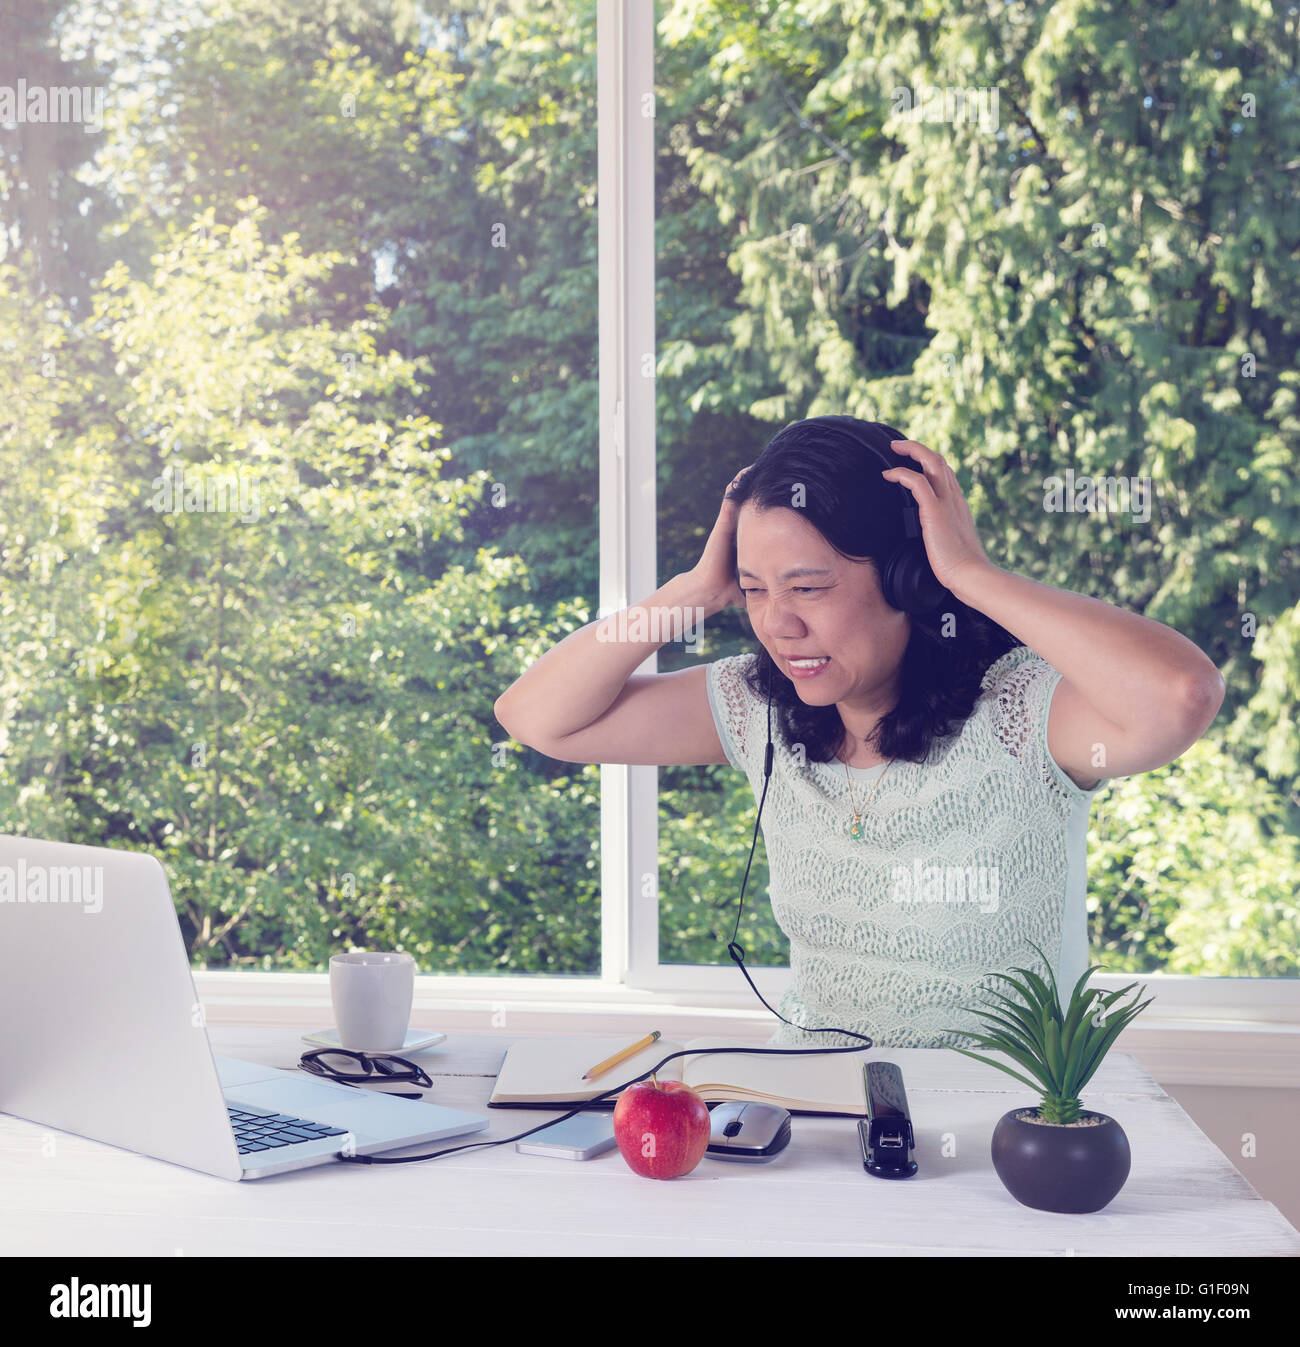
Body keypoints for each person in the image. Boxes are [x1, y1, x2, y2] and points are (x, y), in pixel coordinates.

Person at [494, 416, 1225, 1048]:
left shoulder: (1020, 710)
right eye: (755, 591)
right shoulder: (760, 707)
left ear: (908, 579)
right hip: (819, 1124)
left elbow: (1180, 694)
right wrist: (694, 591)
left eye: (808, 587)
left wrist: (970, 573)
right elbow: (536, 718)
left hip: (1003, 1137)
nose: (779, 625)